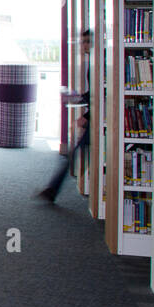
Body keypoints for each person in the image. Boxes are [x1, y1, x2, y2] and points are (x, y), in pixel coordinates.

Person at [38, 29, 93, 202]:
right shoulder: (95, 62)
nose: (83, 45)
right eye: (82, 41)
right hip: (96, 119)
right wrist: (78, 99)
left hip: (99, 121)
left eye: (86, 41)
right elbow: (95, 93)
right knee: (74, 154)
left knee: (75, 154)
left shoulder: (102, 63)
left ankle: (53, 190)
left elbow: (105, 95)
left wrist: (88, 116)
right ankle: (52, 190)